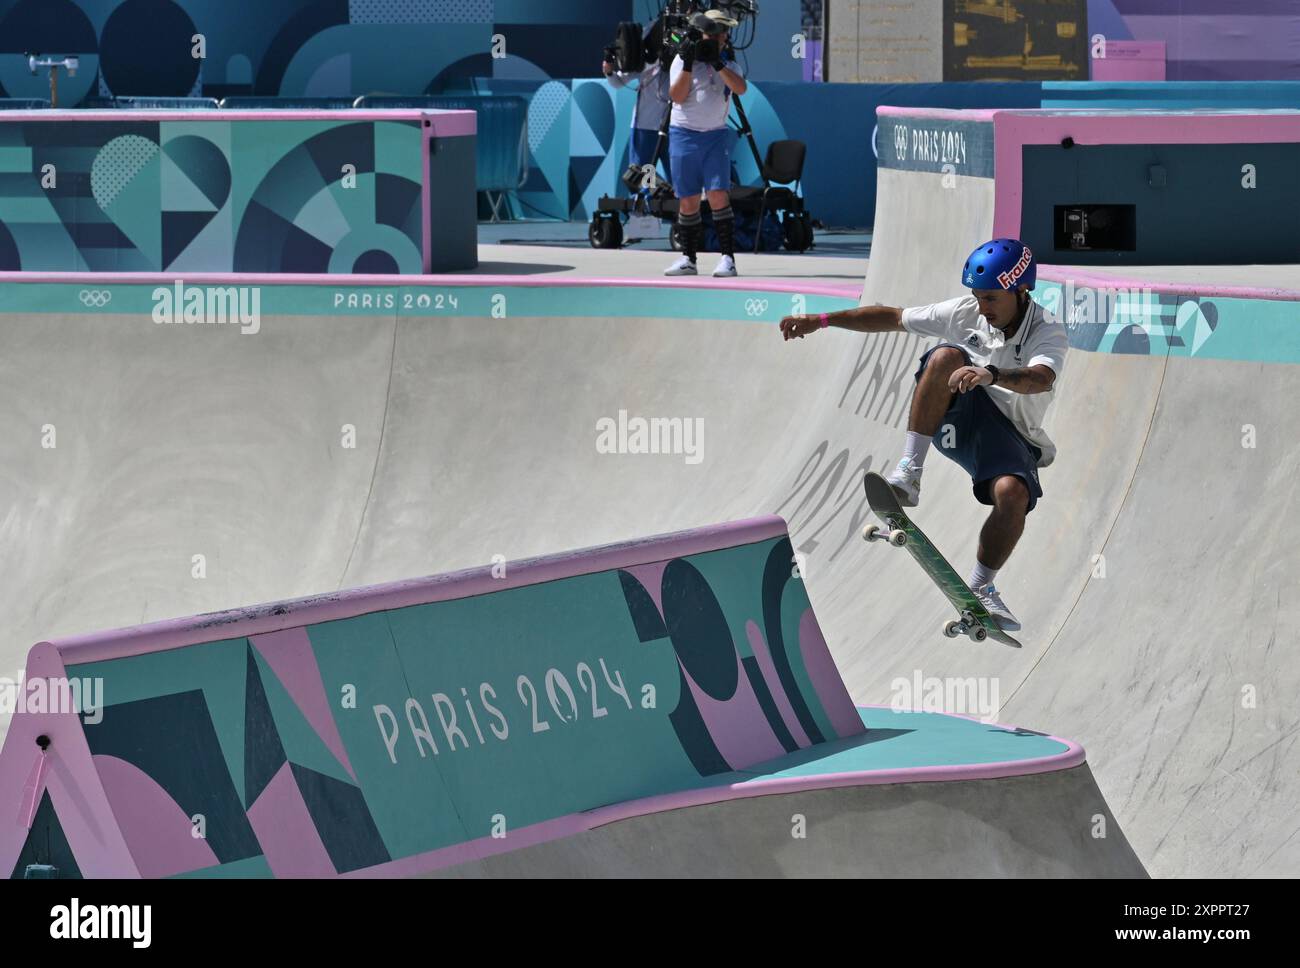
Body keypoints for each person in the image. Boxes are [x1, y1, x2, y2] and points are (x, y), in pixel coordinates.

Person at [778, 239, 1069, 632]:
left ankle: (982, 588)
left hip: (1012, 435)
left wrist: (993, 374)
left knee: (1012, 495)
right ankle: (909, 471)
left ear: (1022, 290)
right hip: (958, 416)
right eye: (978, 297)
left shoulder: (1048, 330)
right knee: (946, 356)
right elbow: (892, 317)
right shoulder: (965, 313)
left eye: (992, 299)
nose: (983, 308)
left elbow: (1040, 379)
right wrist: (823, 320)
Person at [663, 10, 747, 278]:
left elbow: (741, 89)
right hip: (683, 134)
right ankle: (688, 258)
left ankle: (728, 259)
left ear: (726, 37)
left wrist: (718, 63)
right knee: (687, 199)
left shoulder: (730, 65)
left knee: (718, 195)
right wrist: (689, 64)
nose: (716, 38)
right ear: (701, 34)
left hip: (715, 136)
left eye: (720, 34)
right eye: (710, 34)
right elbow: (676, 96)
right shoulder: (681, 59)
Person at [603, 21, 674, 190]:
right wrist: (609, 71)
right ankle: (646, 213)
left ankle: (679, 214)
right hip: (646, 128)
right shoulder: (646, 54)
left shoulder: (684, 59)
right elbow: (618, 82)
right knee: (644, 178)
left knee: (678, 178)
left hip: (677, 128)